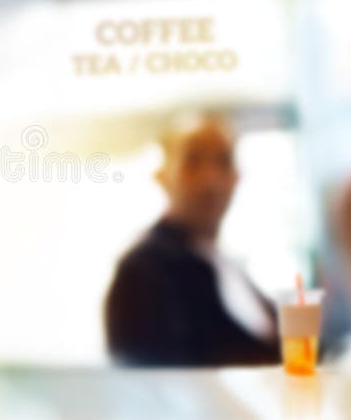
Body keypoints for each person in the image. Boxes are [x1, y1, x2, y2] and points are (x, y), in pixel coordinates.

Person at [104, 113, 280, 366]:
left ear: (236, 177)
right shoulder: (143, 270)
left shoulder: (222, 261)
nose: (210, 180)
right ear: (162, 176)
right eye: (193, 161)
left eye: (223, 161)